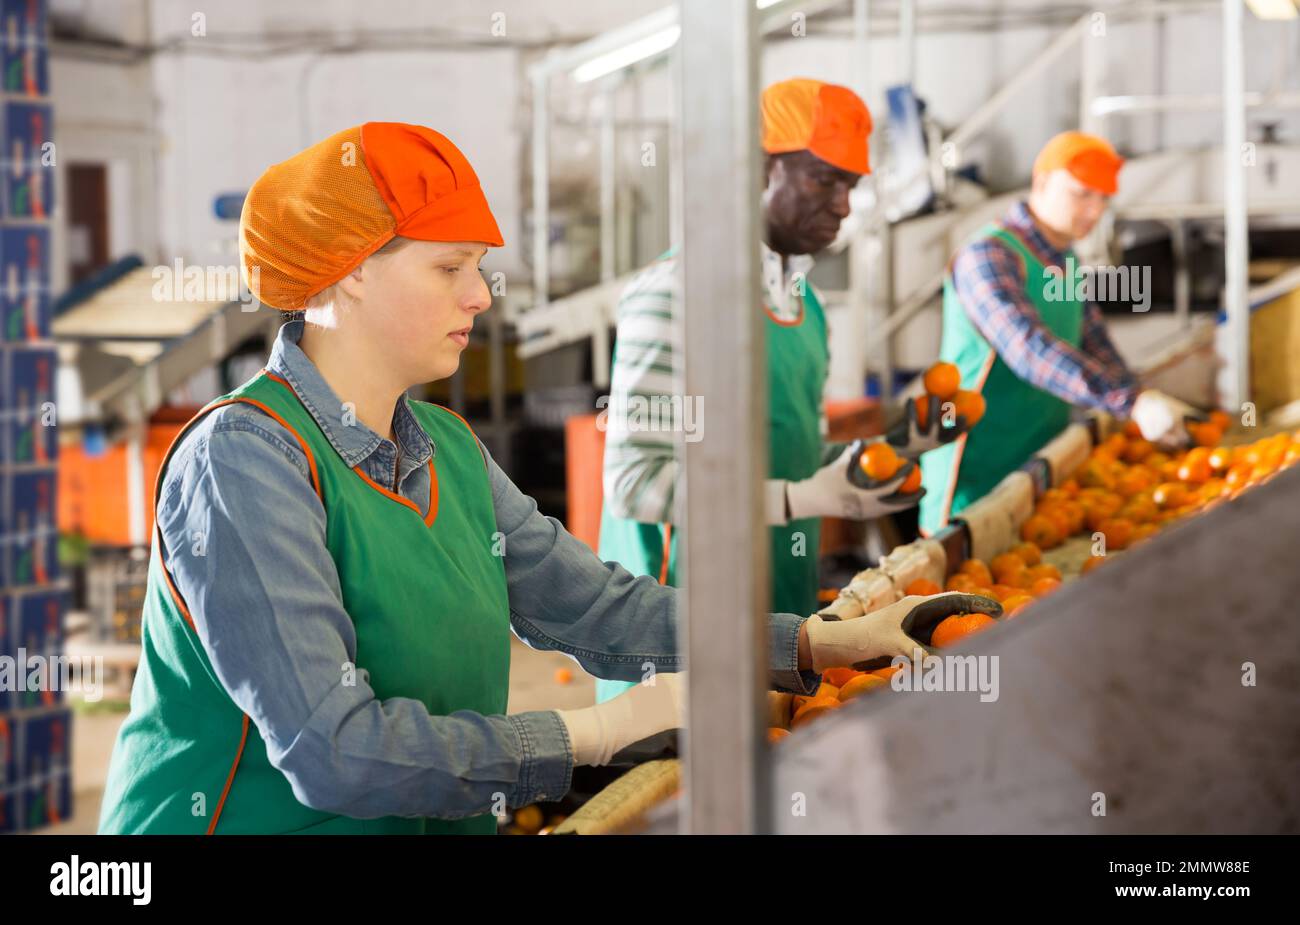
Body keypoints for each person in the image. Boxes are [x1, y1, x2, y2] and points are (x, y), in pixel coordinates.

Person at [97, 122, 989, 834]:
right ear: (350, 274)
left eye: (478, 269)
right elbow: (336, 751)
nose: (481, 297)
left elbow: (597, 607)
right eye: (451, 267)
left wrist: (816, 643)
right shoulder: (244, 461)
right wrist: (593, 732)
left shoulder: (445, 445)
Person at [597, 79, 967, 702]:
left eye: (852, 185)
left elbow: (797, 457)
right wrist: (798, 499)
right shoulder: (677, 295)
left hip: (781, 622)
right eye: (824, 179)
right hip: (681, 633)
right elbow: (633, 483)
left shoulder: (807, 307)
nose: (846, 205)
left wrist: (899, 446)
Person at [919, 131, 1199, 534]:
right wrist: (1131, 402)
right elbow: (1030, 350)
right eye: (1082, 194)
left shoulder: (1063, 261)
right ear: (1042, 182)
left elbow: (1096, 344)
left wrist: (1147, 399)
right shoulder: (989, 256)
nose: (1094, 211)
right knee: (967, 589)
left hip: (1037, 462)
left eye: (1103, 199)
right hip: (975, 472)